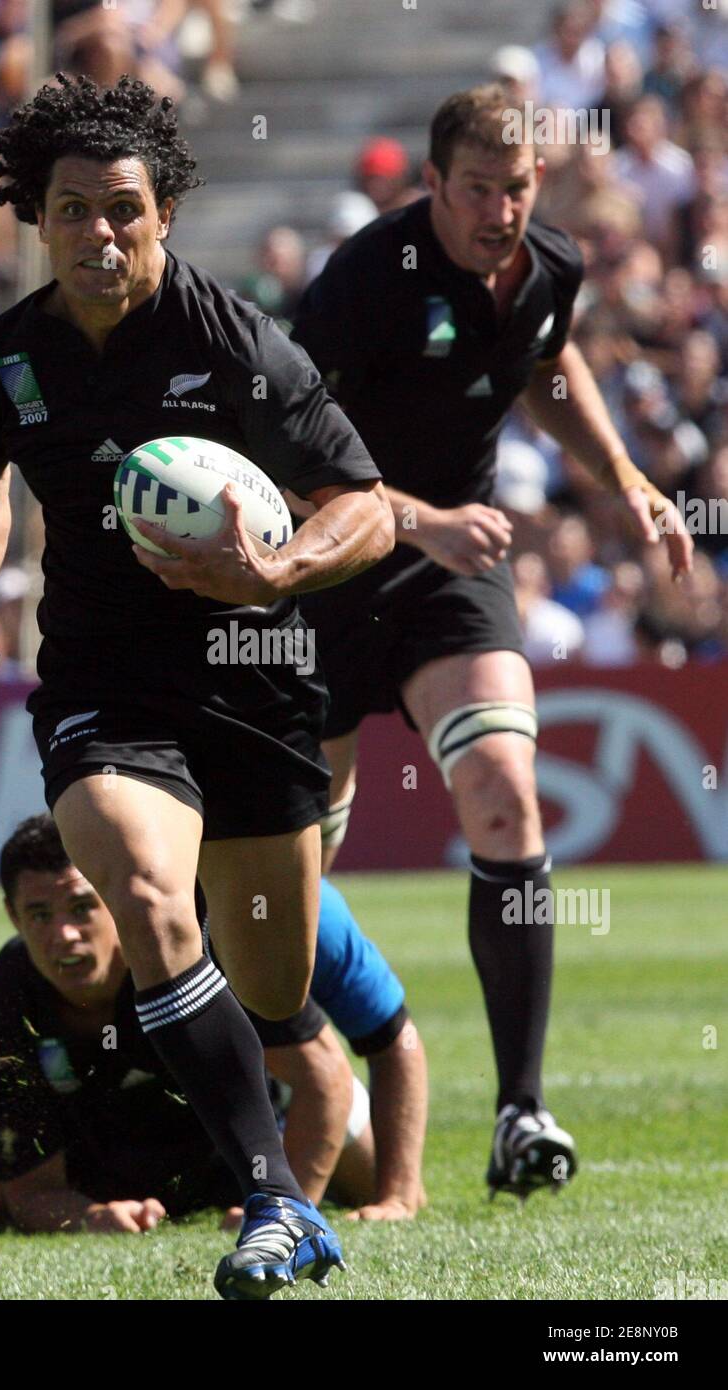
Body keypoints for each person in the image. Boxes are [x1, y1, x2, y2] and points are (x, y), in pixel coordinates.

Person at [0, 72, 393, 1299]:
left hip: (255, 681)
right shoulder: (0, 361)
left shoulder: (237, 344)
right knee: (138, 886)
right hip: (104, 681)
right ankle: (271, 1202)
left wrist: (275, 570)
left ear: (165, 214)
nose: (99, 234)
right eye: (73, 210)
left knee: (272, 984)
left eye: (123, 210)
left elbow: (366, 505)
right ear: (39, 218)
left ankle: (312, 1109)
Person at [290, 83, 693, 1200]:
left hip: (446, 581)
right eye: (478, 189)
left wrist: (625, 481)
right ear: (433, 184)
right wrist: (417, 517)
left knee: (507, 796)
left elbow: (547, 364)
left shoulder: (548, 267)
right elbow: (293, 454)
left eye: (518, 189)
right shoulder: (366, 280)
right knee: (291, 867)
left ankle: (521, 1107)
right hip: (322, 575)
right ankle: (277, 1074)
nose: (501, 211)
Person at [0, 815, 427, 1233]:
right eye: (40, 916)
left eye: (81, 909)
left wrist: (375, 1197)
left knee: (370, 1163)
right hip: (99, 1114)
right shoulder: (11, 999)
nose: (65, 936)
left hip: (256, 1098)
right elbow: (30, 1190)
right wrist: (72, 1215)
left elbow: (373, 1046)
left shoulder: (258, 934)